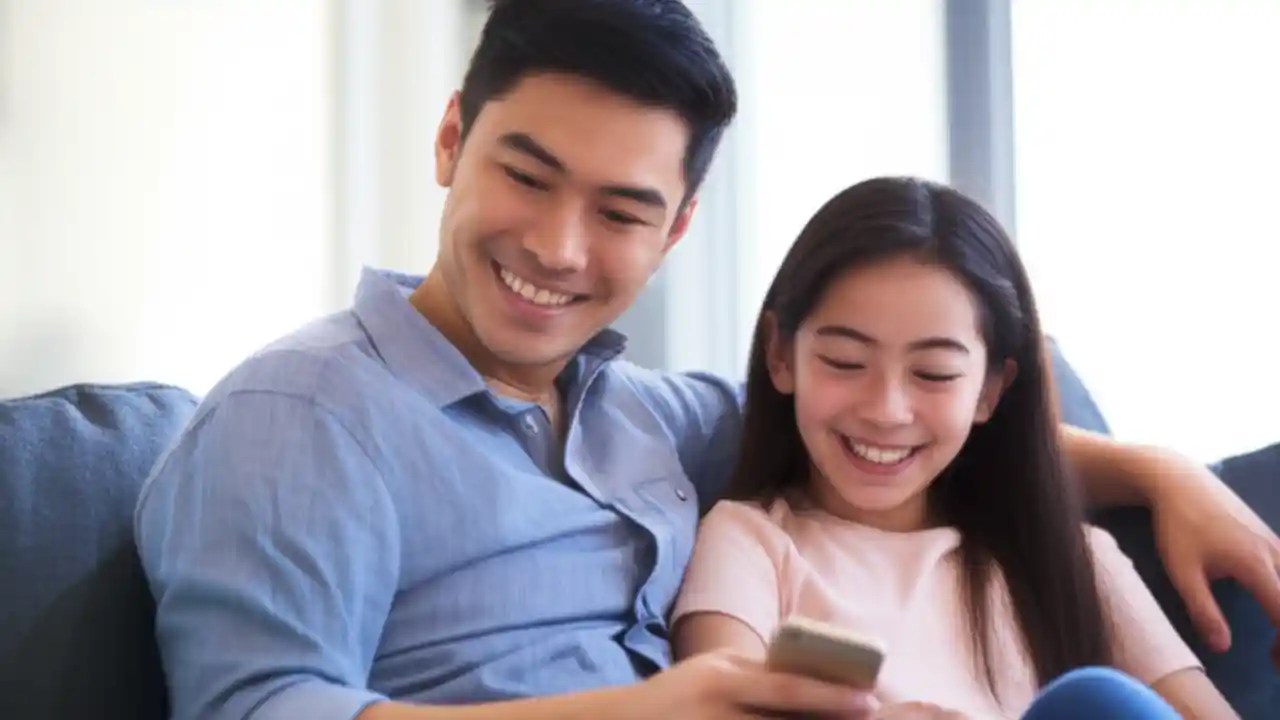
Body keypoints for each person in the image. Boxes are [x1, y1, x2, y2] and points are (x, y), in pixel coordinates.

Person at [133, 1, 1279, 719]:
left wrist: (1158, 473)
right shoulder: (303, 414)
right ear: (450, 141)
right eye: (525, 177)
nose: (557, 247)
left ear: (677, 228)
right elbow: (265, 706)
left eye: (622, 210)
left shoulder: (645, 419)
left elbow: (880, 427)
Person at [670, 176, 1240, 719]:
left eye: (935, 373)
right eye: (846, 362)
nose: (886, 410)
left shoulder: (1072, 558)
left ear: (990, 390)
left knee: (1096, 703)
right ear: (780, 356)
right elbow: (718, 705)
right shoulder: (749, 543)